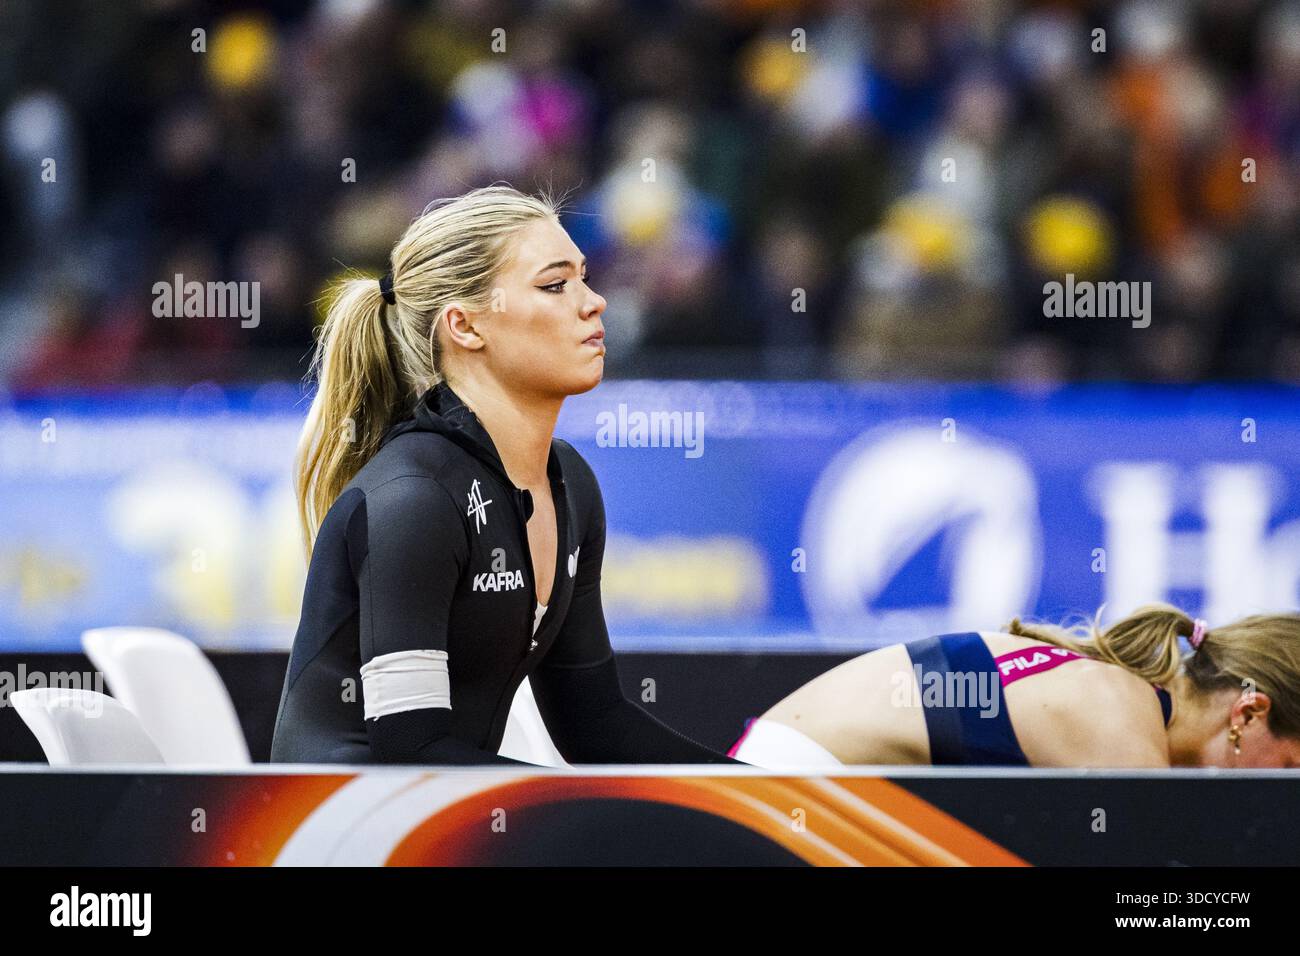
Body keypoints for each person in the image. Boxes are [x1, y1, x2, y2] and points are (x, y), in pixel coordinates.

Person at [271, 185, 737, 765]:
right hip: (353, 815)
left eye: (585, 278)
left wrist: (764, 794)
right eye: (555, 285)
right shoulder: (415, 497)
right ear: (465, 326)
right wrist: (576, 805)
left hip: (457, 807)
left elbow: (594, 724)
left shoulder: (570, 484)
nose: (595, 302)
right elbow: (410, 752)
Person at [728, 604, 1300, 769]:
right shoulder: (1118, 722)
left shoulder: (1118, 696)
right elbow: (1147, 912)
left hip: (774, 783)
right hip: (770, 802)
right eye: (1288, 767)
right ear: (1248, 713)